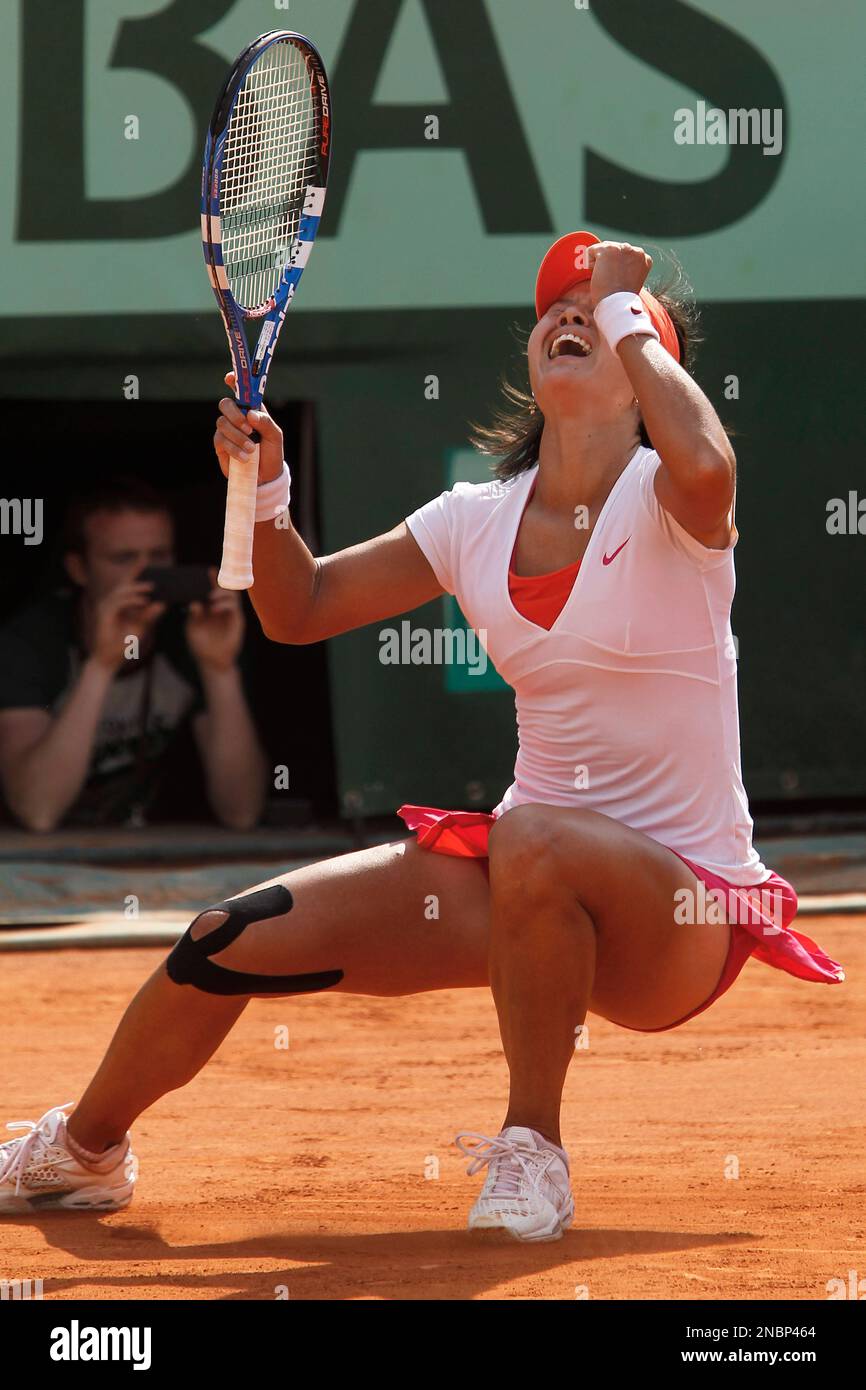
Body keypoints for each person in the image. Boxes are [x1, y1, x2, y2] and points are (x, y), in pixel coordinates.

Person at [0, 235, 843, 1241]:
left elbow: (705, 459)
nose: (571, 315)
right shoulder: (472, 521)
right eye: (554, 310)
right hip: (532, 889)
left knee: (533, 834)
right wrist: (260, 489)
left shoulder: (674, 503)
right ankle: (85, 1148)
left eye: (604, 312)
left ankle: (532, 1149)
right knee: (223, 936)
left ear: (644, 373)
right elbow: (297, 606)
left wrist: (626, 311)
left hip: (679, 909)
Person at [0, 477, 267, 832]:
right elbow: (38, 810)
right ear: (79, 569)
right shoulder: (31, 641)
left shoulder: (192, 632)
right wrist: (102, 663)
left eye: (158, 556)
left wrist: (220, 669)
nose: (144, 573)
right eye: (123, 558)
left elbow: (242, 812)